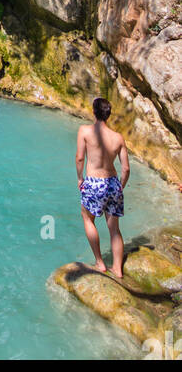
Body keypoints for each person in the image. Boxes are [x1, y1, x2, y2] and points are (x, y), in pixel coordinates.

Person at [76, 97, 130, 279]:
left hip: (94, 182)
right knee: (114, 228)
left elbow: (80, 158)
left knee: (87, 219)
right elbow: (126, 168)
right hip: (113, 183)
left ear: (94, 112)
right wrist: (120, 186)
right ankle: (118, 268)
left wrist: (79, 178)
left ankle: (100, 262)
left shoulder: (85, 131)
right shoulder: (118, 138)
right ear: (108, 114)